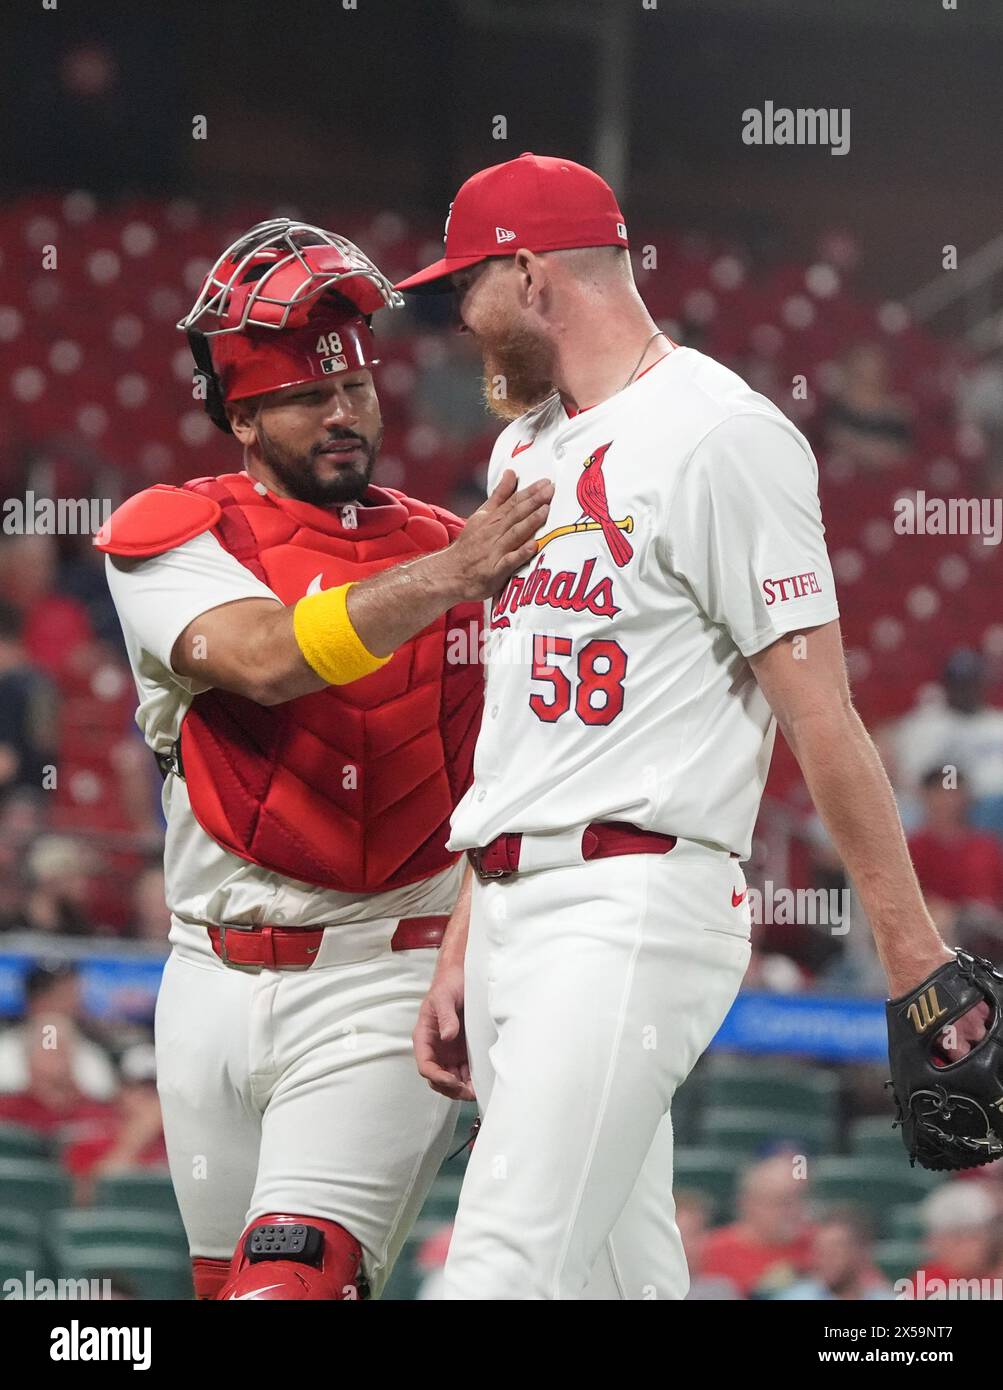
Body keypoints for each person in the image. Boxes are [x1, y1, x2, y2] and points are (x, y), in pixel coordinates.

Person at [398, 152, 989, 1300]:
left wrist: (911, 951)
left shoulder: (722, 433)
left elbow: (821, 714)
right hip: (520, 903)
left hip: (634, 902)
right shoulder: (522, 449)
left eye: (461, 292)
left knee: (498, 1266)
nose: (455, 326)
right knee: (622, 1279)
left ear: (526, 276)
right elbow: (521, 730)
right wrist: (469, 931)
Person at [96, 219, 551, 1301]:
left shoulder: (451, 539)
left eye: (356, 391)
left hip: (382, 978)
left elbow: (516, 765)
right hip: (206, 984)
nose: (343, 415)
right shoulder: (171, 536)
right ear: (242, 414)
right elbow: (263, 660)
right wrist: (452, 575)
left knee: (290, 1287)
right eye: (308, 397)